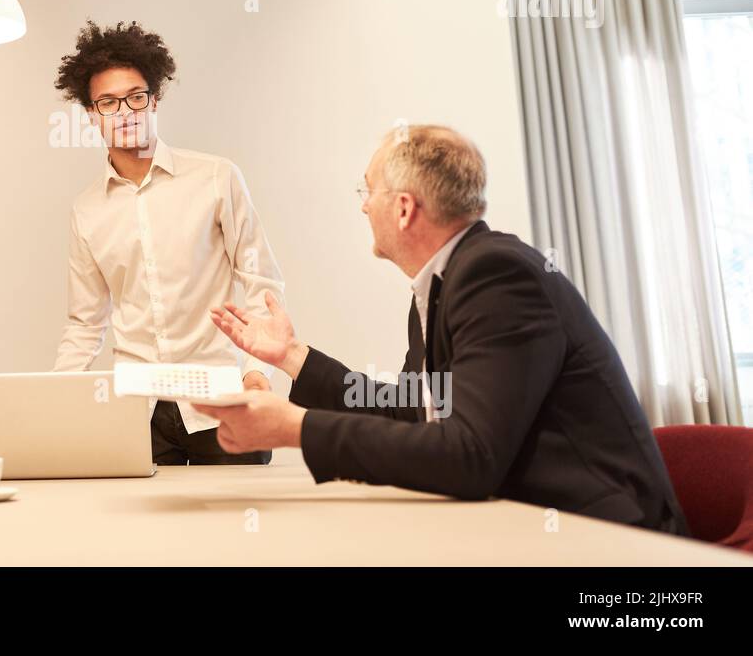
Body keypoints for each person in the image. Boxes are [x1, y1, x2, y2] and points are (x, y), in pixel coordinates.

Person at [195, 125, 688, 534]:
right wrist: (291, 356)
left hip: (608, 538)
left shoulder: (497, 274)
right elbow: (413, 410)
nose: (363, 206)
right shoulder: (440, 284)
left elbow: (471, 454)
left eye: (368, 191)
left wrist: (294, 428)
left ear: (405, 208)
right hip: (530, 523)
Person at [51, 19, 284, 465]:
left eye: (136, 97)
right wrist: (53, 405)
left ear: (154, 100)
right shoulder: (87, 210)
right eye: (107, 102)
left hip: (224, 403)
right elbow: (84, 324)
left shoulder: (216, 178)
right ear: (91, 114)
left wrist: (256, 373)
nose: (124, 112)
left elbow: (261, 283)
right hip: (139, 413)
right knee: (148, 537)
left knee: (237, 532)